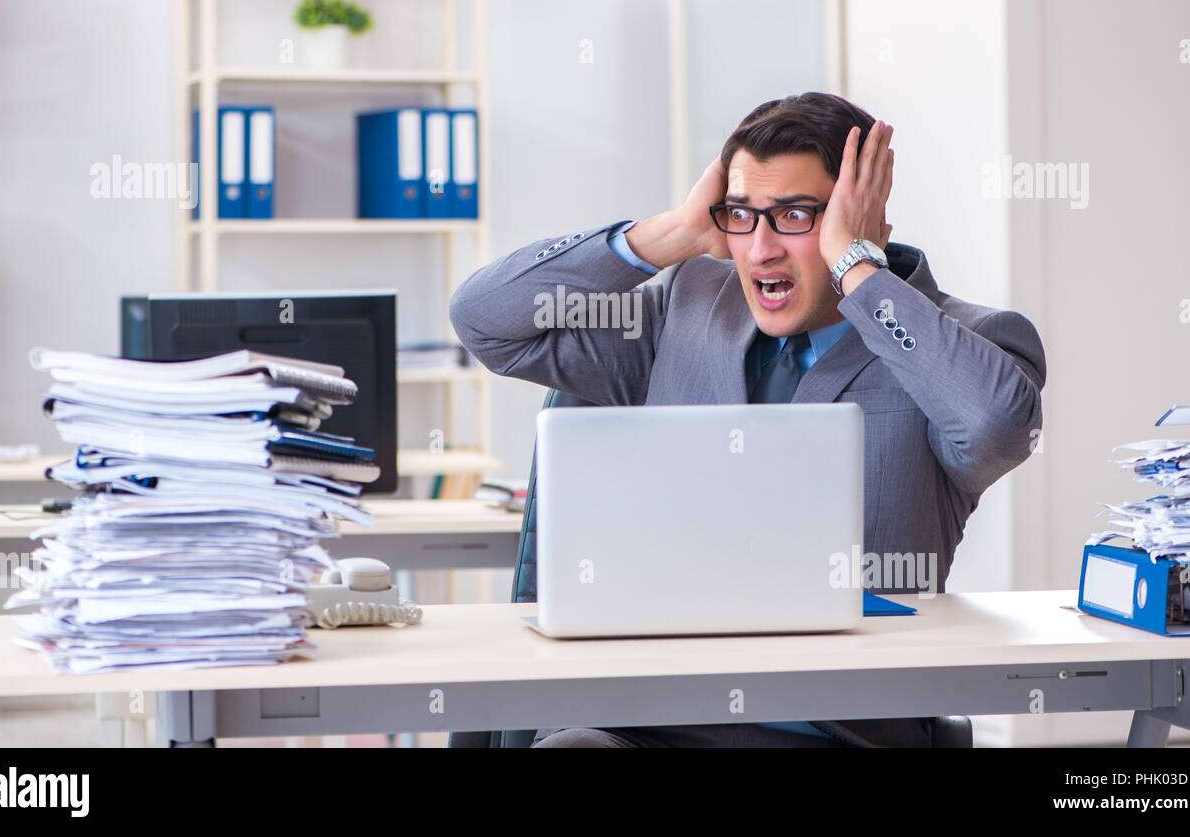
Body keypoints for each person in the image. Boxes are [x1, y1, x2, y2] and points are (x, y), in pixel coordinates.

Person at [448, 92, 1046, 747]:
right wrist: (672, 233)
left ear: (865, 214)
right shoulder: (692, 305)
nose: (759, 250)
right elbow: (486, 321)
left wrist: (857, 269)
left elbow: (994, 425)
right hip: (642, 711)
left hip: (830, 729)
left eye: (794, 215)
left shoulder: (966, 340)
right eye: (742, 214)